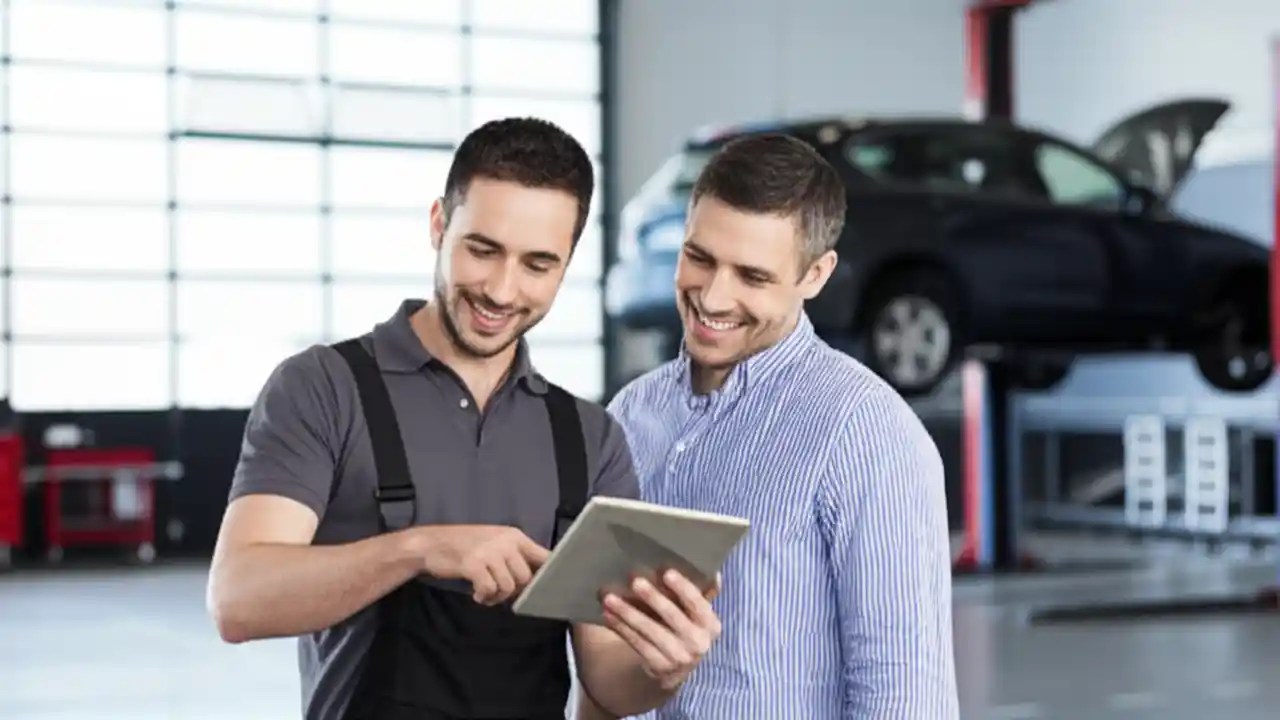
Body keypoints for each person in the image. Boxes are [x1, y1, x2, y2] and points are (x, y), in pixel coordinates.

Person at [206, 117, 722, 720]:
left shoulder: (588, 438)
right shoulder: (325, 387)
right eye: (483, 250)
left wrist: (663, 669)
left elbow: (607, 681)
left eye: (537, 265)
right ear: (438, 225)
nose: (502, 291)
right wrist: (420, 549)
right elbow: (238, 599)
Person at [603, 133, 959, 718]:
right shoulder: (630, 416)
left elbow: (904, 695)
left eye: (753, 276)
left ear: (815, 275)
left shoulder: (866, 433)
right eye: (700, 257)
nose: (713, 296)